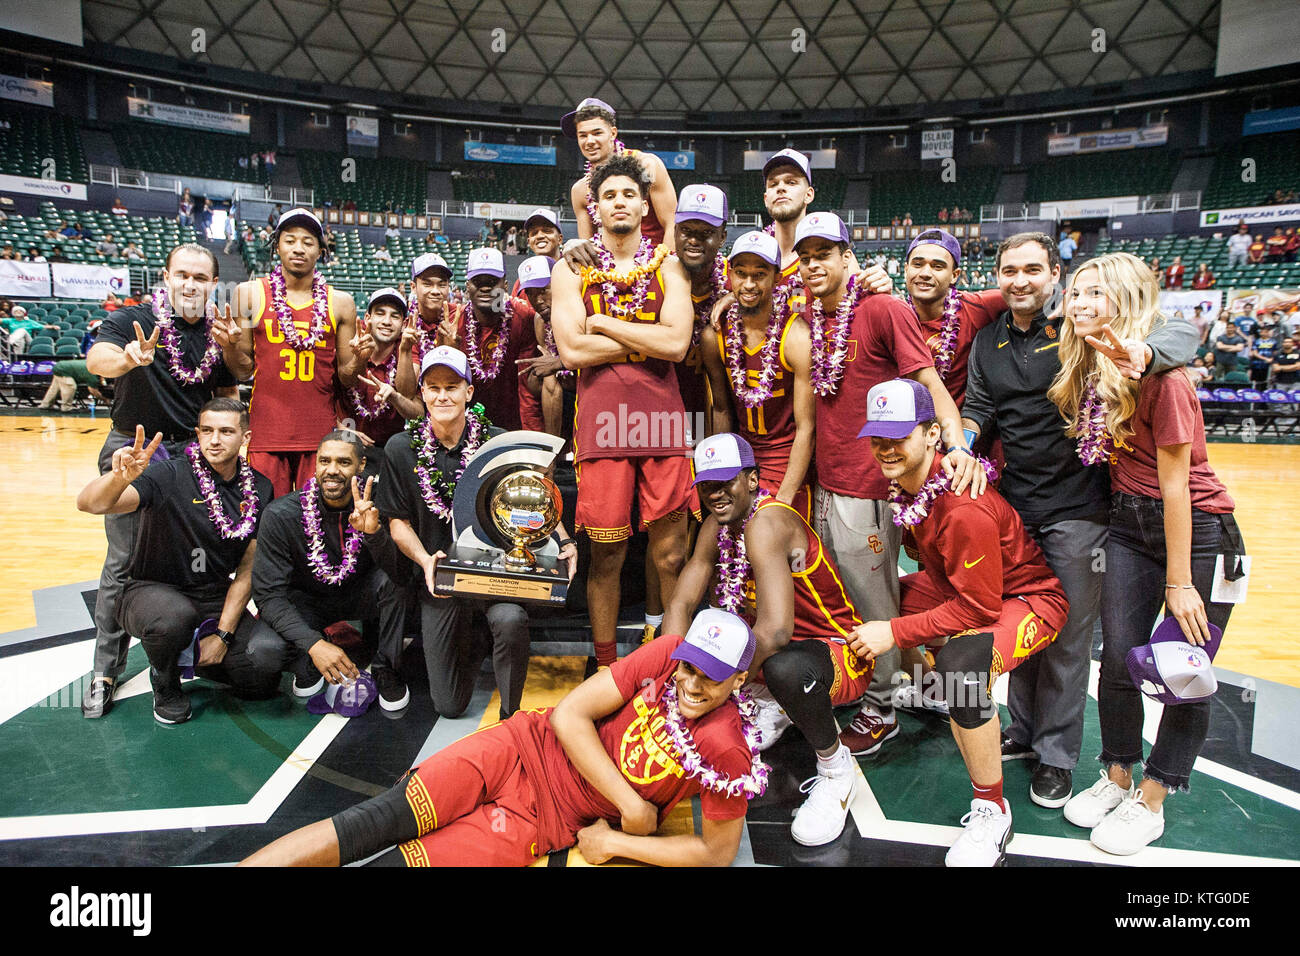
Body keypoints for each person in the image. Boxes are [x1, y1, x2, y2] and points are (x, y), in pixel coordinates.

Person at [961, 233, 1197, 810]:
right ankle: (1022, 730)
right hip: (1016, 509)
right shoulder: (986, 341)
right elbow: (979, 407)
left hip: (1080, 511)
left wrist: (1142, 354)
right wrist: (965, 442)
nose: (1020, 280)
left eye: (1033, 269)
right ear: (998, 274)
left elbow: (1181, 332)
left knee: (1068, 639)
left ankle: (1057, 756)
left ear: (1053, 277)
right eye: (1009, 269)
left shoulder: (1075, 331)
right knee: (1022, 628)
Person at [241, 607, 763, 867]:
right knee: (374, 820)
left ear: (740, 680)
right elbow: (569, 716)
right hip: (522, 746)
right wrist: (631, 804)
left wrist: (614, 840)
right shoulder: (668, 650)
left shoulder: (726, 748)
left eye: (710, 677)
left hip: (547, 817)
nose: (692, 684)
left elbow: (716, 855)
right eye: (690, 669)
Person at [1048, 252, 1244, 855]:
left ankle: (1154, 797)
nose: (1078, 304)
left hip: (1198, 531)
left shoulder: (1166, 379)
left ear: (1126, 301)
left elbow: (1176, 486)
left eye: (1094, 293)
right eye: (1075, 292)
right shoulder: (1090, 369)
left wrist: (1180, 582)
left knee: (1185, 672)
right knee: (1117, 663)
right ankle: (1117, 776)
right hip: (1130, 532)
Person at [852, 379, 1069, 866]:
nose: (886, 448)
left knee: (963, 673)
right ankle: (930, 694)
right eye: (877, 437)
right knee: (874, 601)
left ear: (933, 435)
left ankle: (992, 809)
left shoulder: (961, 506)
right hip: (963, 589)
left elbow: (979, 609)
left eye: (899, 435)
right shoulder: (908, 481)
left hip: (1028, 599)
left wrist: (894, 634)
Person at [794, 211, 979, 755]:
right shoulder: (812, 311)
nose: (813, 265)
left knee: (874, 602)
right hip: (827, 484)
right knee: (850, 597)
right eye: (806, 257)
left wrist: (957, 444)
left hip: (871, 486)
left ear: (849, 258)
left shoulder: (882, 308)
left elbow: (929, 381)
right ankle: (890, 684)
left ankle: (881, 709)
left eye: (825, 254)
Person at [664, 434, 872, 846]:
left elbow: (777, 632)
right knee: (700, 640)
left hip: (837, 652)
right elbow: (681, 602)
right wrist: (673, 672)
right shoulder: (715, 524)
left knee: (785, 670)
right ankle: (771, 703)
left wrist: (712, 684)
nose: (716, 494)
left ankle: (835, 769)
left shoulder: (767, 522)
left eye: (727, 482)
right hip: (768, 654)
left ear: (754, 480)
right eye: (707, 485)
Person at [80, 243, 244, 719]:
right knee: (125, 559)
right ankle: (105, 671)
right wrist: (130, 358)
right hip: (134, 451)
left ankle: (170, 657)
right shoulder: (132, 319)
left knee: (181, 558)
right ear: (166, 277)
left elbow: (227, 392)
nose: (191, 284)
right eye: (183, 275)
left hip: (192, 456)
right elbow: (98, 360)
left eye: (201, 277)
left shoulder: (216, 335)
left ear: (214, 284)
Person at [377, 345, 576, 718]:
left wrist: (564, 540)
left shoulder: (498, 441)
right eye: (433, 387)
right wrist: (424, 561)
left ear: (469, 392)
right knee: (449, 706)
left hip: (495, 575)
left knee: (511, 619)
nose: (442, 395)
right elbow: (396, 521)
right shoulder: (401, 448)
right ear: (422, 392)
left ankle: (510, 713)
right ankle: (475, 640)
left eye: (452, 386)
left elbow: (534, 498)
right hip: (442, 583)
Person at [551, 153, 694, 670]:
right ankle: (607, 662)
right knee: (607, 555)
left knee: (671, 555)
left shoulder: (671, 264)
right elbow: (570, 352)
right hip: (603, 426)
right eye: (608, 195)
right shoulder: (570, 269)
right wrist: (645, 341)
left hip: (662, 422)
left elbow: (677, 343)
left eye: (628, 194)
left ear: (643, 204)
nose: (619, 202)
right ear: (596, 205)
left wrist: (606, 325)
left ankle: (667, 657)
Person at [75, 402, 278, 724]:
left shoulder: (260, 487)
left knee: (261, 671)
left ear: (245, 437)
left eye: (226, 431)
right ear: (197, 434)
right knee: (173, 619)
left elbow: (247, 570)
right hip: (150, 591)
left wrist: (223, 635)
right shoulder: (168, 474)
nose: (214, 440)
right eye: (207, 431)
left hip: (211, 595)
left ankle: (189, 654)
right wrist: (117, 479)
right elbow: (89, 504)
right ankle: (165, 680)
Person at [250, 431, 410, 710]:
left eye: (343, 462)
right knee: (262, 652)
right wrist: (314, 645)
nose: (332, 470)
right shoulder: (281, 514)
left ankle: (386, 667)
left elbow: (401, 574)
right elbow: (267, 595)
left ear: (361, 465)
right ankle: (306, 660)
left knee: (392, 583)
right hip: (307, 602)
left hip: (361, 595)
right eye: (324, 461)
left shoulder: (380, 505)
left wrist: (374, 534)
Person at [227, 207, 361, 497]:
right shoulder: (248, 293)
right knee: (265, 520)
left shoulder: (341, 302)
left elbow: (347, 379)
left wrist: (360, 359)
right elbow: (242, 371)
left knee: (314, 522)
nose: (298, 248)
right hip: (267, 432)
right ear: (277, 246)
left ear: (321, 251)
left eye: (308, 242)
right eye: (290, 240)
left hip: (319, 436)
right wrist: (229, 345)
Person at [701, 230, 814, 515]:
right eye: (741, 273)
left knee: (773, 540)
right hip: (743, 457)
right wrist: (724, 473)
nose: (749, 284)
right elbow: (722, 409)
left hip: (787, 459)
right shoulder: (714, 336)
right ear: (730, 275)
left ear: (777, 278)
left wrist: (785, 500)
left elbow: (806, 428)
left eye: (760, 274)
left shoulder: (796, 335)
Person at [436, 247, 539, 431]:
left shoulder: (523, 318)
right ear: (467, 286)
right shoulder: (452, 322)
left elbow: (527, 391)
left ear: (505, 285)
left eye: (492, 282)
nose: (485, 287)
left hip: (512, 427)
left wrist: (530, 440)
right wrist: (451, 351)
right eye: (478, 281)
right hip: (464, 429)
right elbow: (443, 389)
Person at [565, 97, 676, 251]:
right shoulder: (580, 190)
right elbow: (588, 247)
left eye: (597, 133)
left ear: (613, 133)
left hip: (655, 264)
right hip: (612, 270)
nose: (589, 141)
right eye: (583, 135)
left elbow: (672, 223)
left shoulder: (647, 166)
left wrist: (664, 269)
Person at [335, 288, 422, 461]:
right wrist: (341, 429)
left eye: (395, 316)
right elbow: (324, 394)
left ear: (404, 324)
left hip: (387, 452)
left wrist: (405, 351)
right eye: (380, 313)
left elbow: (414, 407)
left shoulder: (407, 350)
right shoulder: (349, 346)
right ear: (368, 318)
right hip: (344, 443)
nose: (387, 321)